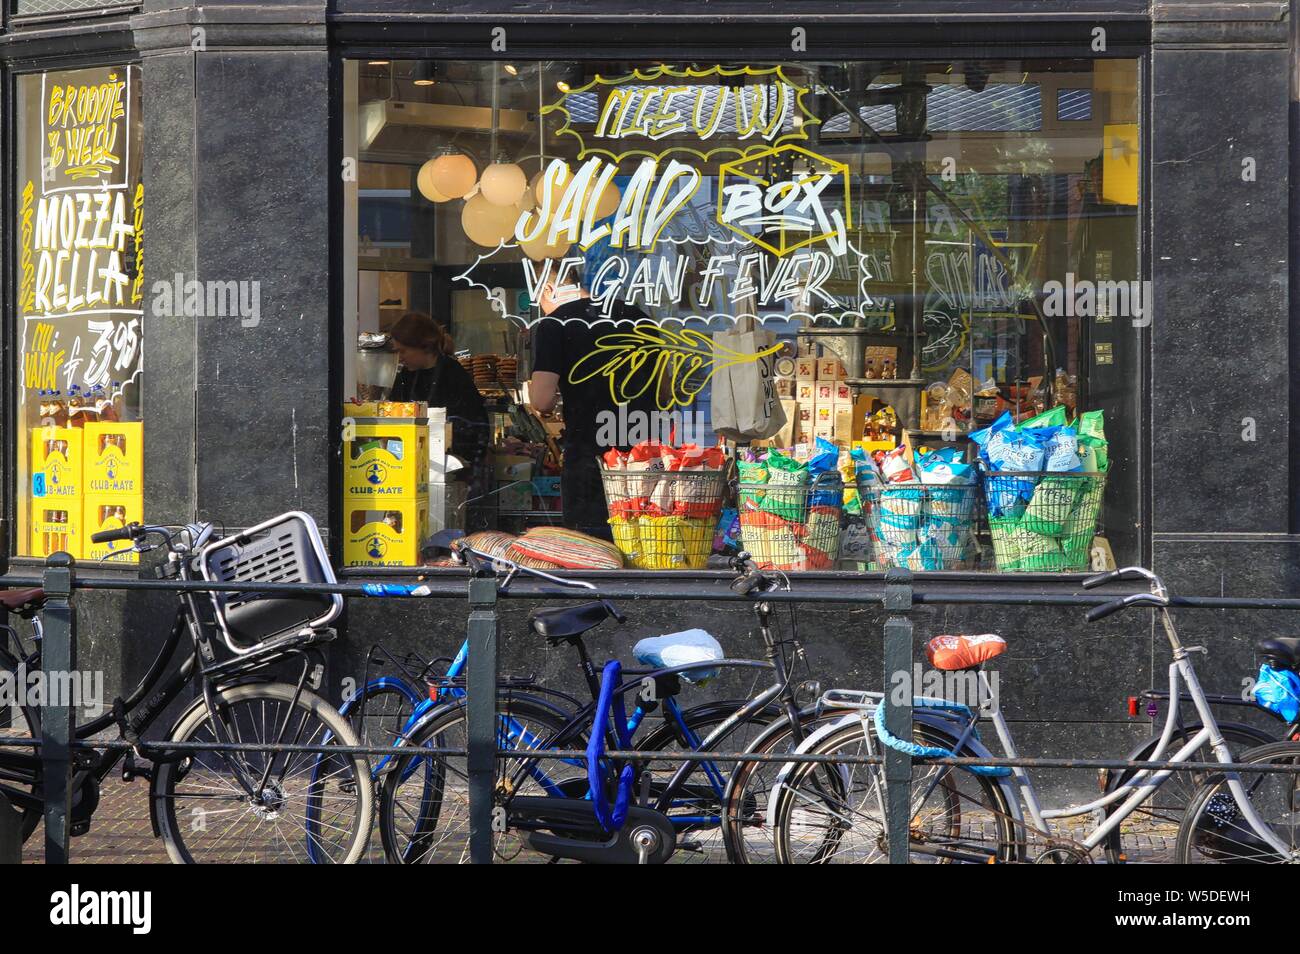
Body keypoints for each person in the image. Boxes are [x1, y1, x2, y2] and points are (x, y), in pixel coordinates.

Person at [529, 270, 657, 539]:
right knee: (644, 539)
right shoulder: (639, 317)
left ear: (549, 288)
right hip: (643, 451)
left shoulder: (555, 324)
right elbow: (666, 391)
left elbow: (542, 399)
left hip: (590, 452)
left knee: (592, 545)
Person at [386, 312, 488, 477]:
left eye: (403, 351)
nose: (400, 358)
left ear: (423, 346)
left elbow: (474, 430)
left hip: (450, 470)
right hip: (410, 467)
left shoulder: (453, 375)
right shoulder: (405, 377)